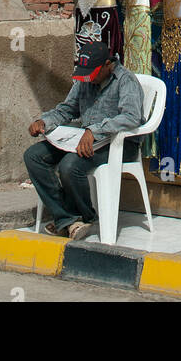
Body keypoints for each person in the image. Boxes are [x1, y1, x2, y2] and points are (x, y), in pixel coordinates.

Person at [23, 41, 145, 239]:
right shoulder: (85, 79)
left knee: (69, 166)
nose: (89, 78)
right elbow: (67, 109)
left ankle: (82, 217)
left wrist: (95, 131)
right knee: (34, 156)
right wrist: (44, 121)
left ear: (108, 64)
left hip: (118, 144)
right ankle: (69, 219)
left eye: (94, 72)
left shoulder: (125, 80)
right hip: (84, 139)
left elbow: (131, 117)